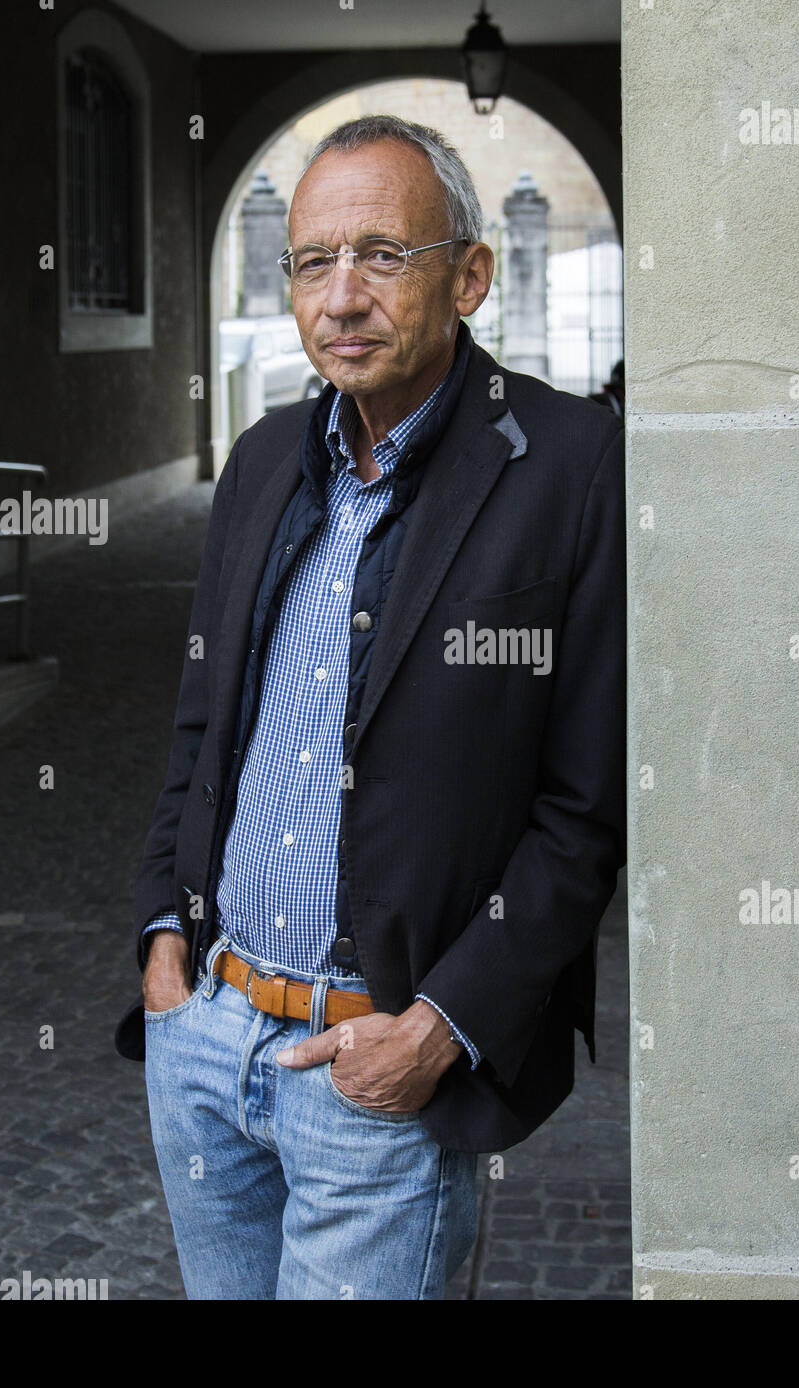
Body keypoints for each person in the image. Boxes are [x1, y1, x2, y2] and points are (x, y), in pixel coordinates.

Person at [113, 115, 625, 1300]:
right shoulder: (257, 464)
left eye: (382, 255)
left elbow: (584, 807)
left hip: (377, 1072)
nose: (340, 295)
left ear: (470, 275)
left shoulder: (568, 463)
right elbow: (201, 732)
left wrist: (438, 1028)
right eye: (311, 260)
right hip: (209, 1037)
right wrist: (161, 941)